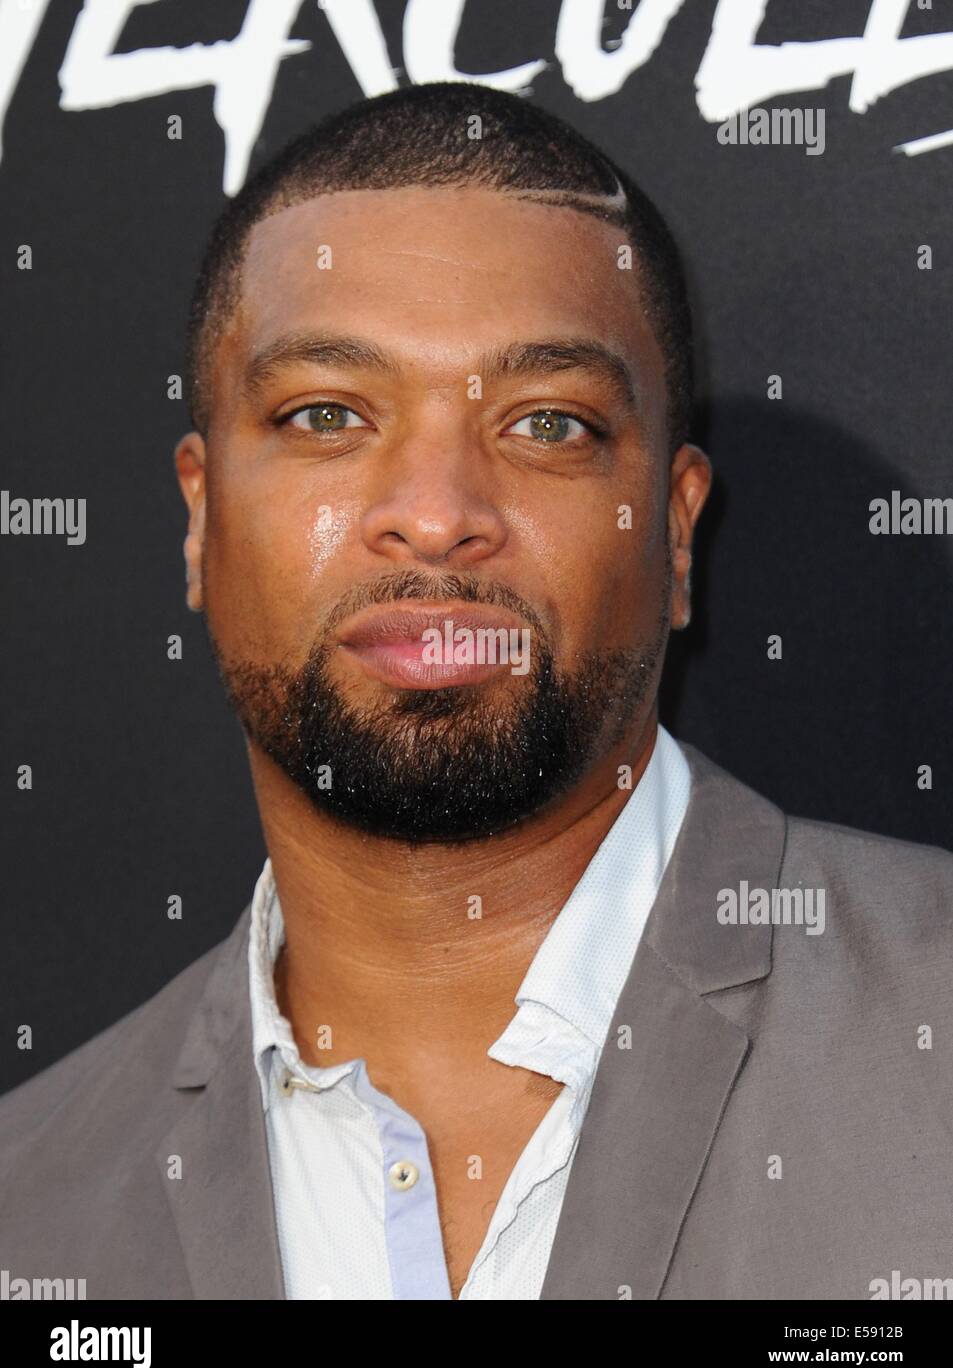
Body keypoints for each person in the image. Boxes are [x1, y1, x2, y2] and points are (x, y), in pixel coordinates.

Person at [2, 81, 952, 1303]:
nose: (439, 514)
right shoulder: (34, 1217)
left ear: (672, 533)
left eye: (544, 422)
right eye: (327, 414)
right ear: (199, 519)